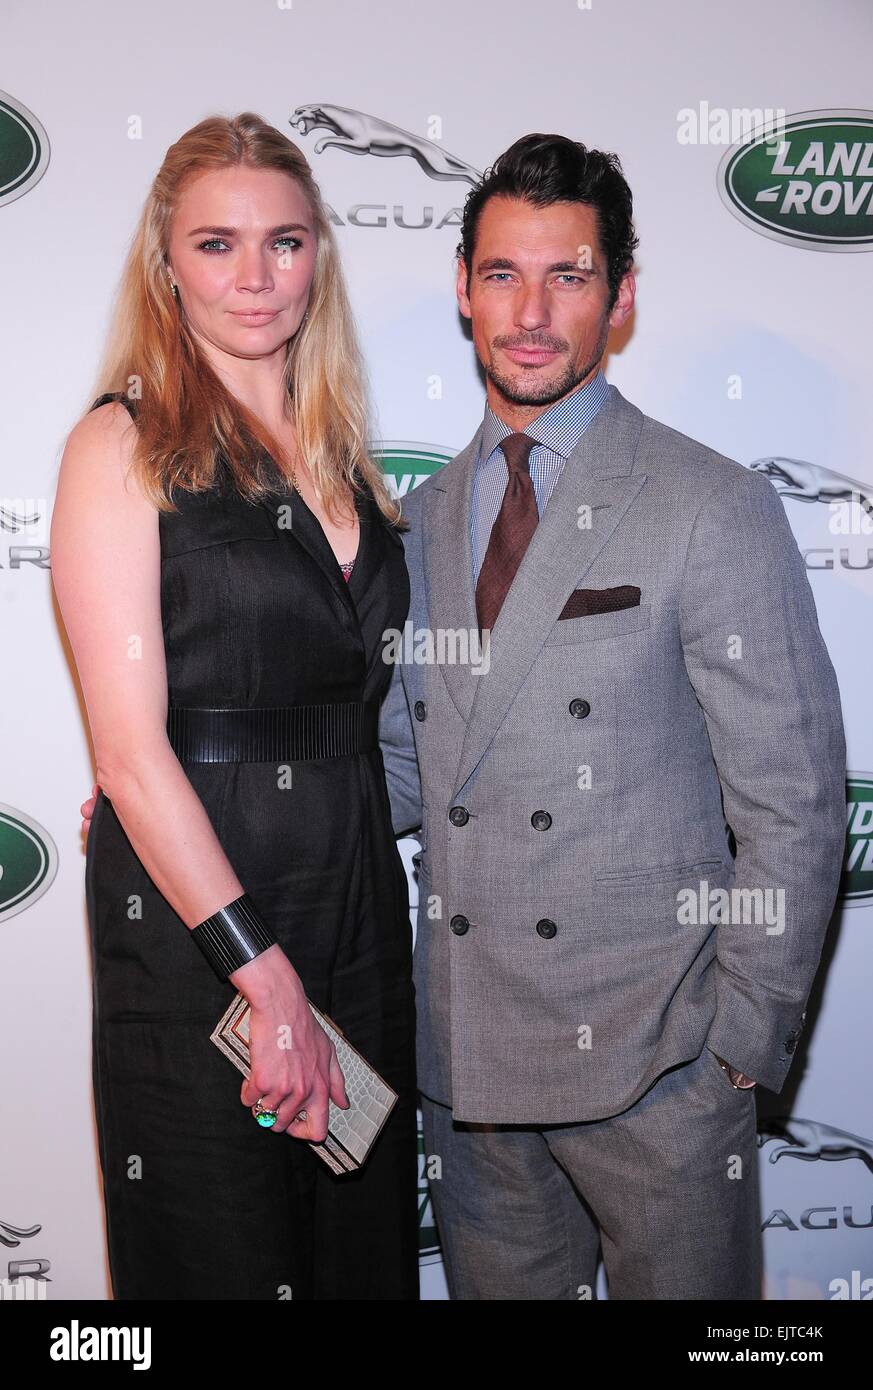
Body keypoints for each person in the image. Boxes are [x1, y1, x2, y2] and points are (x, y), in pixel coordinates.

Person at [376, 133, 847, 1299]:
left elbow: (794, 797)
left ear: (621, 294)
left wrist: (738, 1044)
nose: (531, 313)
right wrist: (200, 792)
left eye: (569, 276)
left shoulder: (712, 504)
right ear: (463, 289)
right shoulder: (418, 520)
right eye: (501, 274)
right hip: (471, 1066)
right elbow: (401, 765)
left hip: (661, 1069)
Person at [55, 112, 419, 1300]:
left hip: (358, 908)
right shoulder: (122, 445)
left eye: (286, 242)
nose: (256, 278)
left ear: (321, 255)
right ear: (167, 264)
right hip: (206, 936)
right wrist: (264, 982)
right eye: (217, 245)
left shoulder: (347, 459)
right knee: (219, 1265)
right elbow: (131, 748)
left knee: (353, 1262)